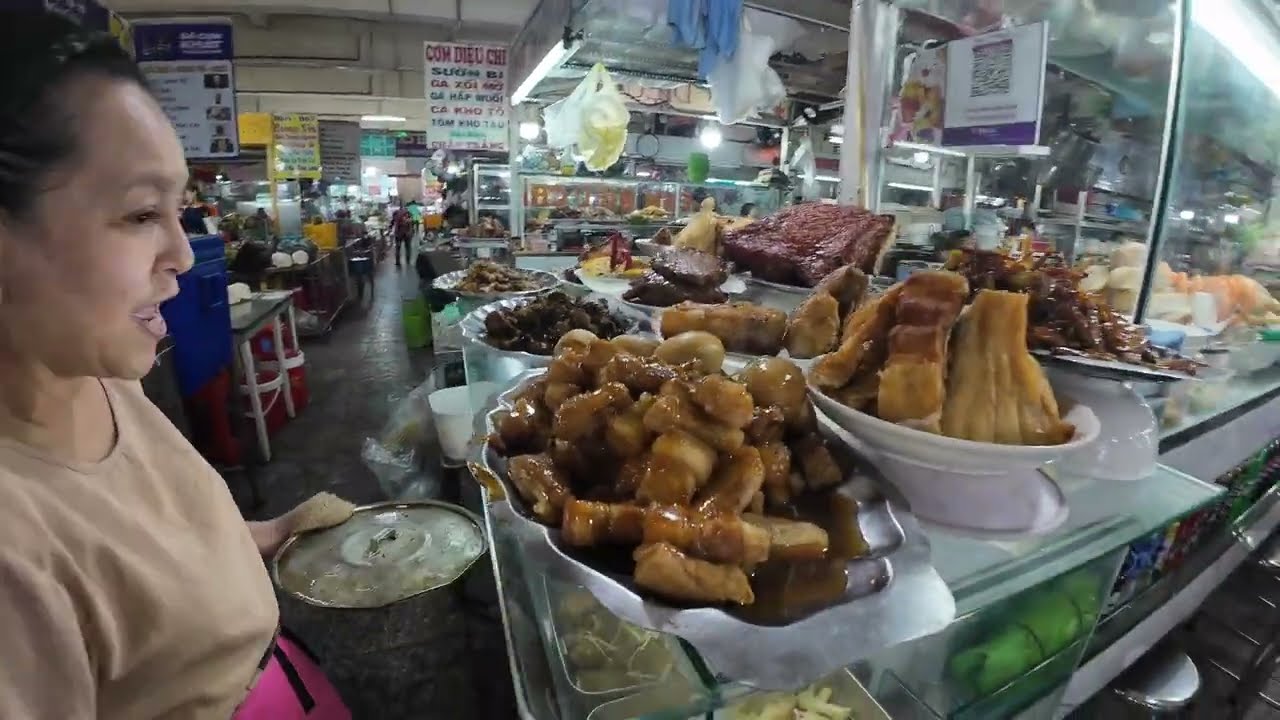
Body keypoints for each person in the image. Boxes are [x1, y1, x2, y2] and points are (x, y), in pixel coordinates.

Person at [0, 14, 351, 719]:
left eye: (178, 209)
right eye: (138, 216)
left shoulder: (103, 378)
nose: (184, 257)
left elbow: (142, 579)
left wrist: (269, 536)